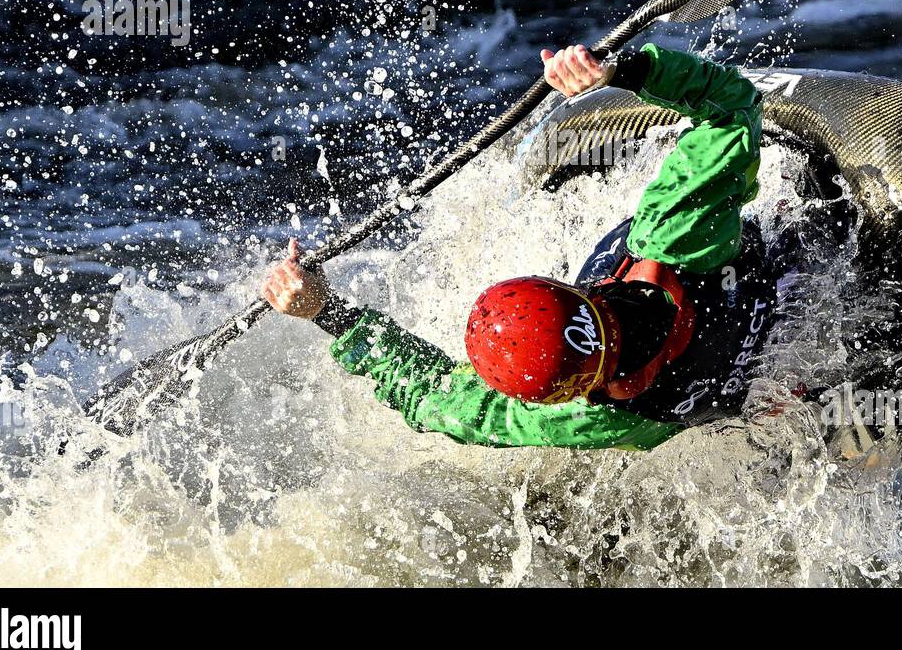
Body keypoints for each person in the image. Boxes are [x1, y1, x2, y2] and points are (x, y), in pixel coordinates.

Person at [263, 43, 775, 450]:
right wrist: (623, 71)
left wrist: (326, 312)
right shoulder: (675, 234)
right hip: (768, 283)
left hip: (718, 399)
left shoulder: (566, 420)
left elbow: (427, 393)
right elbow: (734, 106)